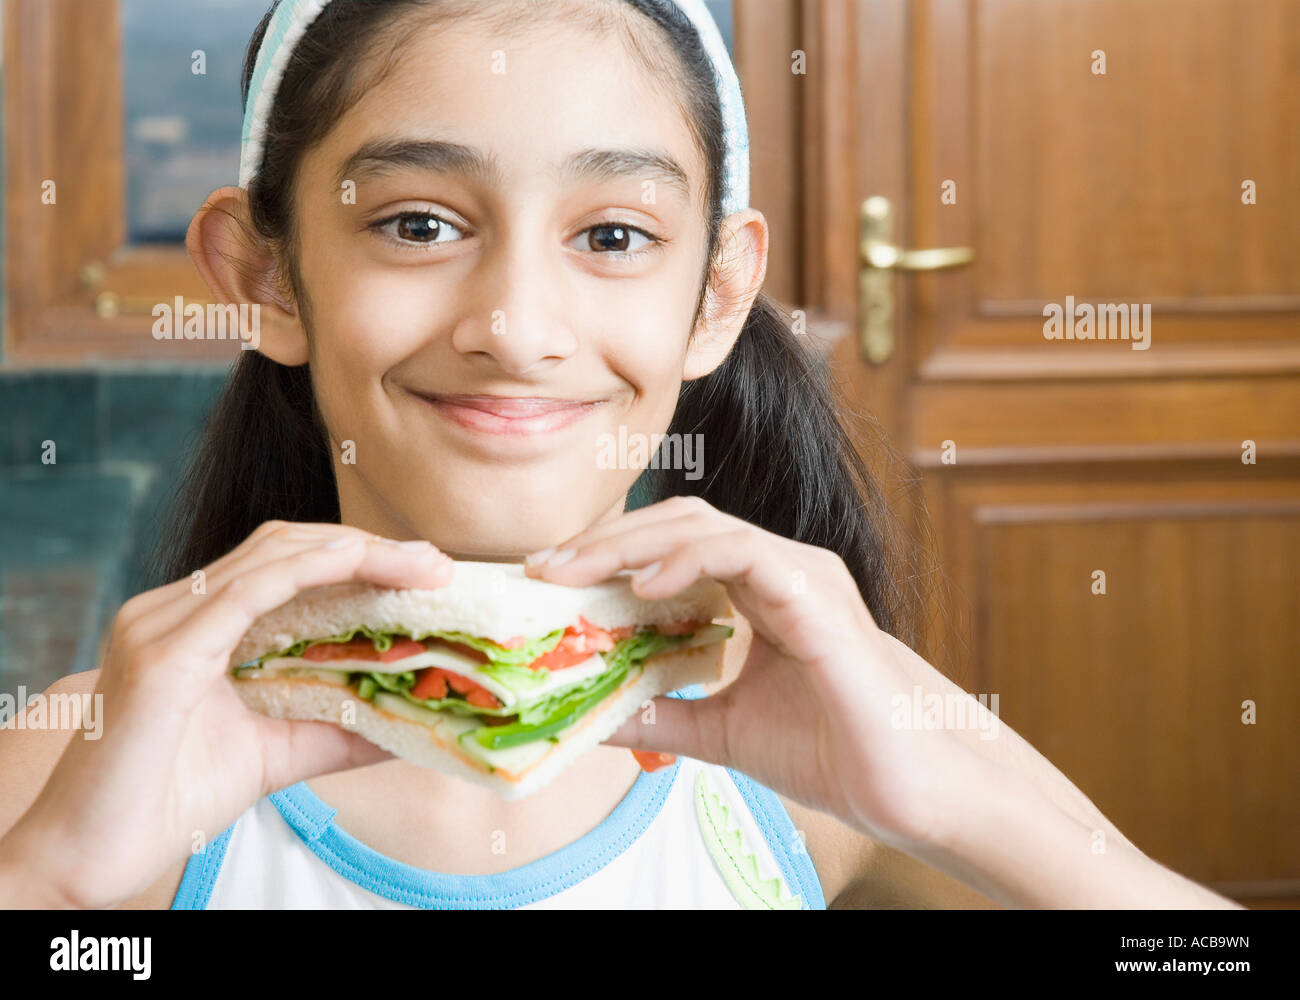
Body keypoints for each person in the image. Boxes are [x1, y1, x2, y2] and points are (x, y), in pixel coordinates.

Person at [0, 0, 1238, 910]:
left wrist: (974, 815)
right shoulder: (86, 763)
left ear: (715, 297)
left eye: (612, 234)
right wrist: (52, 893)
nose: (517, 329)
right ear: (265, 274)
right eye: (417, 223)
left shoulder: (836, 747)